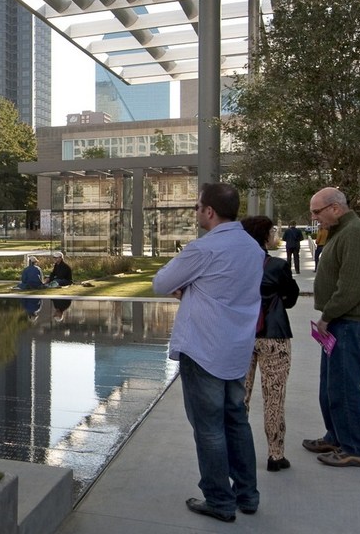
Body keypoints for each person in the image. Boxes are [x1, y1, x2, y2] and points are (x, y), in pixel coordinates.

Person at [150, 183, 261, 522]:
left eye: (197, 207)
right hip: (234, 348)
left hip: (203, 349)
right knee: (237, 421)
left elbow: (161, 283)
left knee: (209, 427)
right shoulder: (252, 247)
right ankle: (247, 495)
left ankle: (219, 500)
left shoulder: (204, 249)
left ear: (209, 211)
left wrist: (187, 287)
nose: (196, 212)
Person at [305, 187, 360, 468]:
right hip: (340, 321)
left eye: (317, 212)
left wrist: (327, 316)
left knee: (345, 387)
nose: (314, 218)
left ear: (335, 208)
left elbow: (352, 287)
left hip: (349, 321)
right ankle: (336, 436)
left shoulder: (354, 233)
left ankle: (356, 448)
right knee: (331, 384)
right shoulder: (340, 231)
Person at [240, 216, 299, 473]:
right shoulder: (276, 266)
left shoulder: (235, 266)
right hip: (274, 336)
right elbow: (291, 298)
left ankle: (237, 451)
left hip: (241, 336)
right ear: (264, 236)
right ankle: (275, 455)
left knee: (239, 396)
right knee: (274, 397)